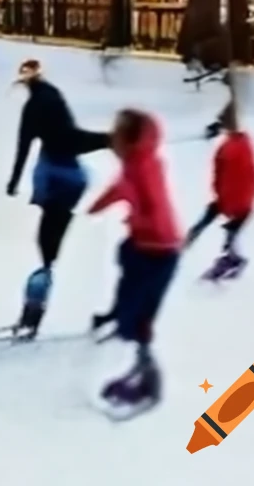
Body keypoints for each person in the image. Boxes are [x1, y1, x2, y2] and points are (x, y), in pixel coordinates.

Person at [5, 59, 110, 336]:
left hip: (59, 180)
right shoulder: (54, 98)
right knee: (48, 242)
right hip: (66, 179)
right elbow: (72, 137)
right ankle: (35, 304)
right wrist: (109, 140)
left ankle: (34, 309)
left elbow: (26, 145)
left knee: (47, 244)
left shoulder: (35, 107)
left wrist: (14, 180)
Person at [88, 109, 181, 410]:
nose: (111, 139)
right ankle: (125, 329)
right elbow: (121, 189)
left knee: (138, 317)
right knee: (126, 267)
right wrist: (97, 206)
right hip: (151, 247)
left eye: (115, 134)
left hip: (157, 250)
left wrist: (138, 217)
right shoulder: (138, 163)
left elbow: (150, 203)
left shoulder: (141, 167)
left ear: (128, 142)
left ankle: (147, 379)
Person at [185, 92, 254, 280]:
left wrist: (230, 206)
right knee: (210, 221)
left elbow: (236, 177)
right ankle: (186, 242)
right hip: (231, 199)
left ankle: (232, 260)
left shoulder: (234, 148)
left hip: (237, 202)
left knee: (229, 233)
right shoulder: (237, 142)